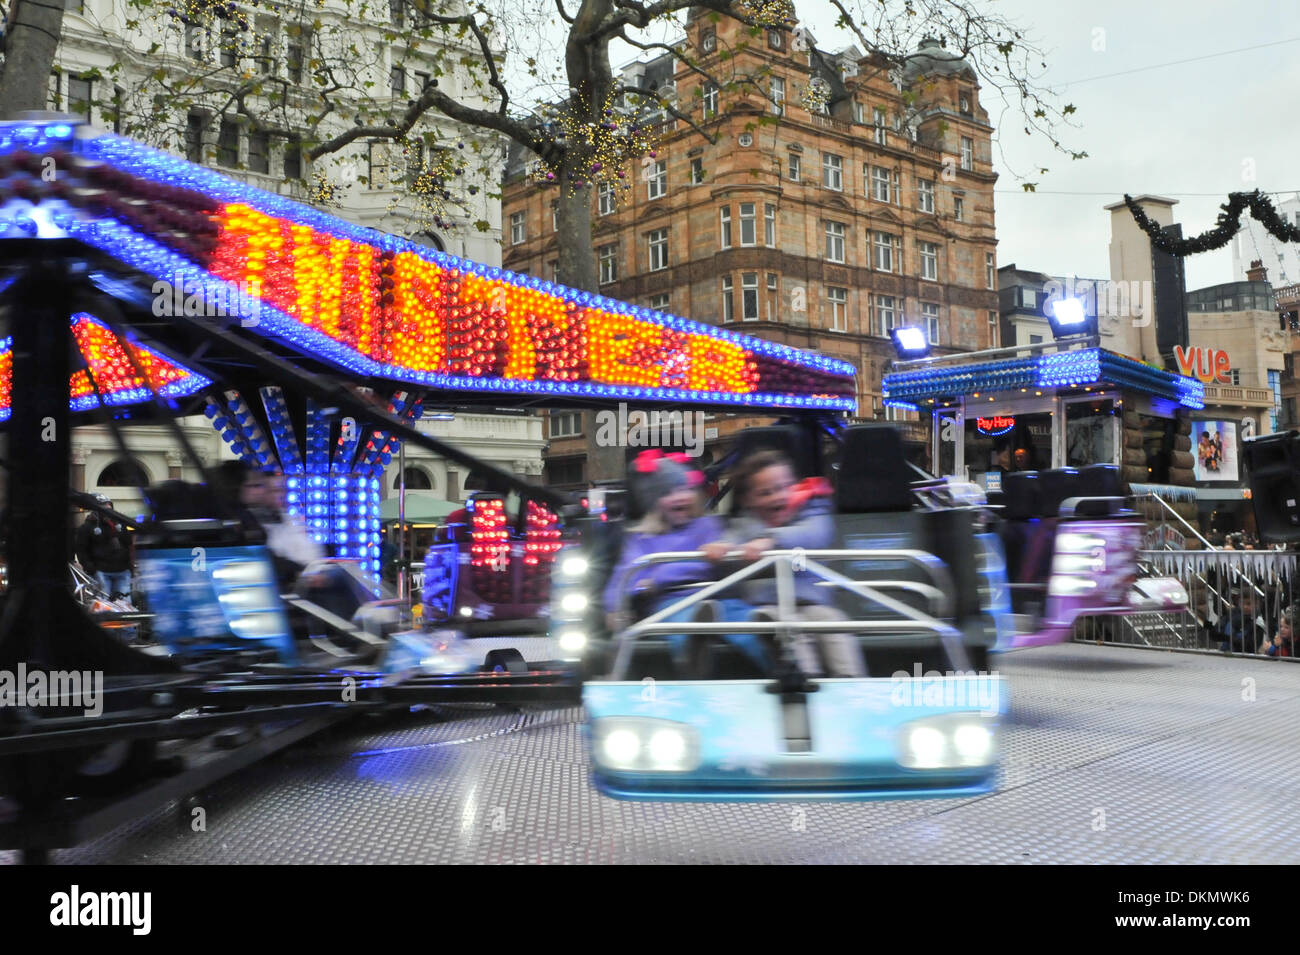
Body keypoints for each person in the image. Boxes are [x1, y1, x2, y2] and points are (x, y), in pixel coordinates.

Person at [704, 449, 865, 678]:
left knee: (834, 624)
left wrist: (772, 540)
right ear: (749, 499)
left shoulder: (812, 514)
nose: (776, 497)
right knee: (790, 629)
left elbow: (814, 535)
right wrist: (721, 547)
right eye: (765, 492)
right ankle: (806, 681)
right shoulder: (746, 526)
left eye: (782, 488)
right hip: (770, 604)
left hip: (812, 602)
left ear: (793, 487)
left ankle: (852, 683)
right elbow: (732, 541)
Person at [602, 450, 746, 675]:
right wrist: (614, 607)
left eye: (684, 489)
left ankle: (774, 652)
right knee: (681, 620)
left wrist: (724, 548)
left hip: (713, 597)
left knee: (742, 615)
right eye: (669, 492)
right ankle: (694, 669)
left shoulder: (706, 527)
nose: (680, 497)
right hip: (671, 601)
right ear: (655, 502)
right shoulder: (642, 539)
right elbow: (624, 577)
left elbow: (728, 550)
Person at [238, 468, 324, 590]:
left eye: (281, 490)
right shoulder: (247, 522)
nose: (278, 496)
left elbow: (312, 559)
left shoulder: (295, 521)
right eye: (272, 491)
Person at [74, 494, 133, 599]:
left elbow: (128, 543)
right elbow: (81, 550)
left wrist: (130, 566)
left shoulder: (119, 524)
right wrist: (91, 568)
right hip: (101, 572)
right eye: (104, 507)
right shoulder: (87, 528)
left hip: (122, 571)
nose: (108, 510)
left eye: (109, 507)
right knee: (105, 604)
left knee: (124, 604)